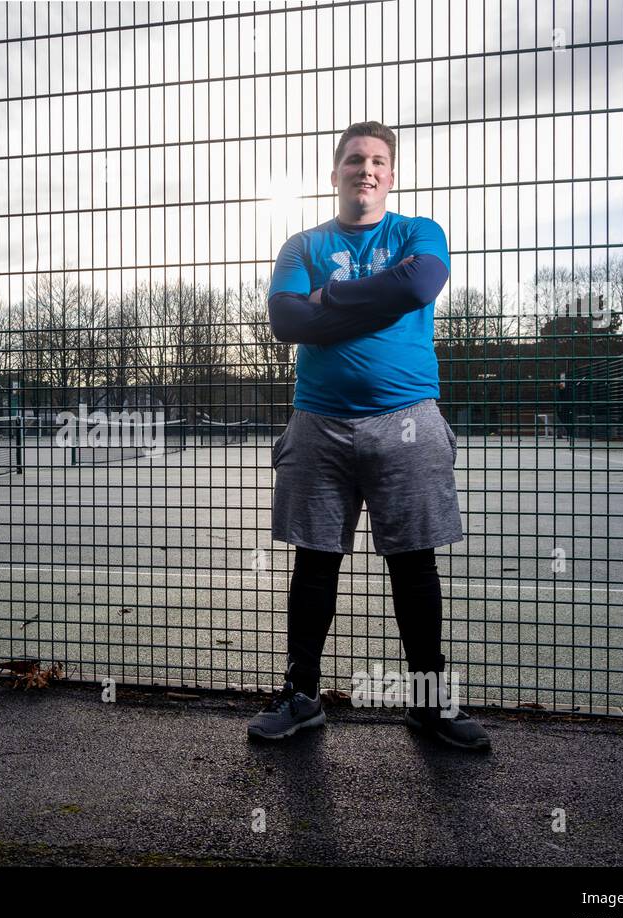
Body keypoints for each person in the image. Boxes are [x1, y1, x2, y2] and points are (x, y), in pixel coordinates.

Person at [249, 120, 490, 751]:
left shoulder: (418, 233)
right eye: (355, 160)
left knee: (414, 564)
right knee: (315, 562)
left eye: (378, 160)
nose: (367, 169)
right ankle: (302, 697)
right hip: (318, 422)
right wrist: (373, 303)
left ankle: (429, 706)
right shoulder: (301, 243)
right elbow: (284, 318)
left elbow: (418, 284)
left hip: (406, 420)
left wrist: (335, 298)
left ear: (392, 173)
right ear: (336, 173)